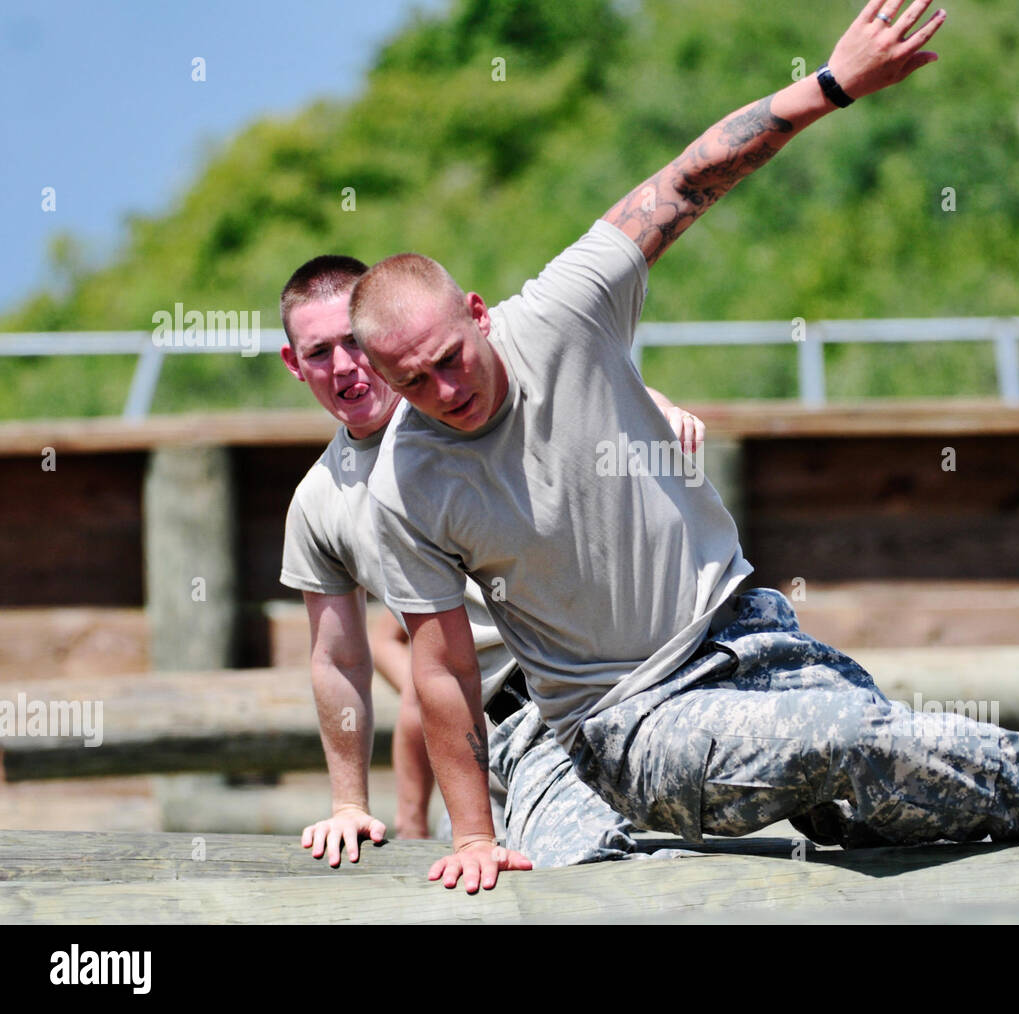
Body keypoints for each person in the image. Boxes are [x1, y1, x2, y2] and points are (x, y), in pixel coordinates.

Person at [349, 0, 1019, 891]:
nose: (445, 392)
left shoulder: (566, 310)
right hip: (626, 722)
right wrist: (468, 835)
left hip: (745, 636)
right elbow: (444, 670)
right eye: (414, 383)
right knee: (832, 746)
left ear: (477, 314)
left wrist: (833, 83)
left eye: (450, 362)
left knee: (886, 770)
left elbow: (690, 179)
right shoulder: (411, 482)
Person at [276, 254, 705, 878]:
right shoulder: (319, 502)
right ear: (295, 364)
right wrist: (350, 804)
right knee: (504, 891)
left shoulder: (467, 406)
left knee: (665, 871)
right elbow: (339, 660)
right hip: (492, 746)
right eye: (319, 352)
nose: (344, 367)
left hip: (611, 685)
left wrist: (653, 409)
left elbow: (575, 377)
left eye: (354, 343)